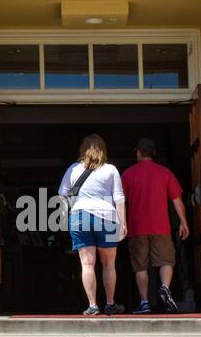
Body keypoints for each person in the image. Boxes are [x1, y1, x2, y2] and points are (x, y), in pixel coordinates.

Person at [58, 134, 127, 316]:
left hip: (80, 217)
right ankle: (110, 303)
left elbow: (61, 195)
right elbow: (119, 197)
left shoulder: (73, 169)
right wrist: (123, 223)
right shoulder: (111, 170)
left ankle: (93, 305)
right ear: (103, 149)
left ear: (82, 150)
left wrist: (65, 218)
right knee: (109, 264)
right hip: (107, 217)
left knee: (87, 264)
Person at [121, 138, 190, 315]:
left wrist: (121, 224)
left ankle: (144, 302)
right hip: (161, 227)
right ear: (153, 154)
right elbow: (177, 200)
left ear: (138, 153)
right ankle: (165, 287)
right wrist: (183, 222)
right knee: (167, 260)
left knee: (140, 266)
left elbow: (120, 201)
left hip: (137, 228)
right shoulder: (165, 173)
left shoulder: (128, 174)